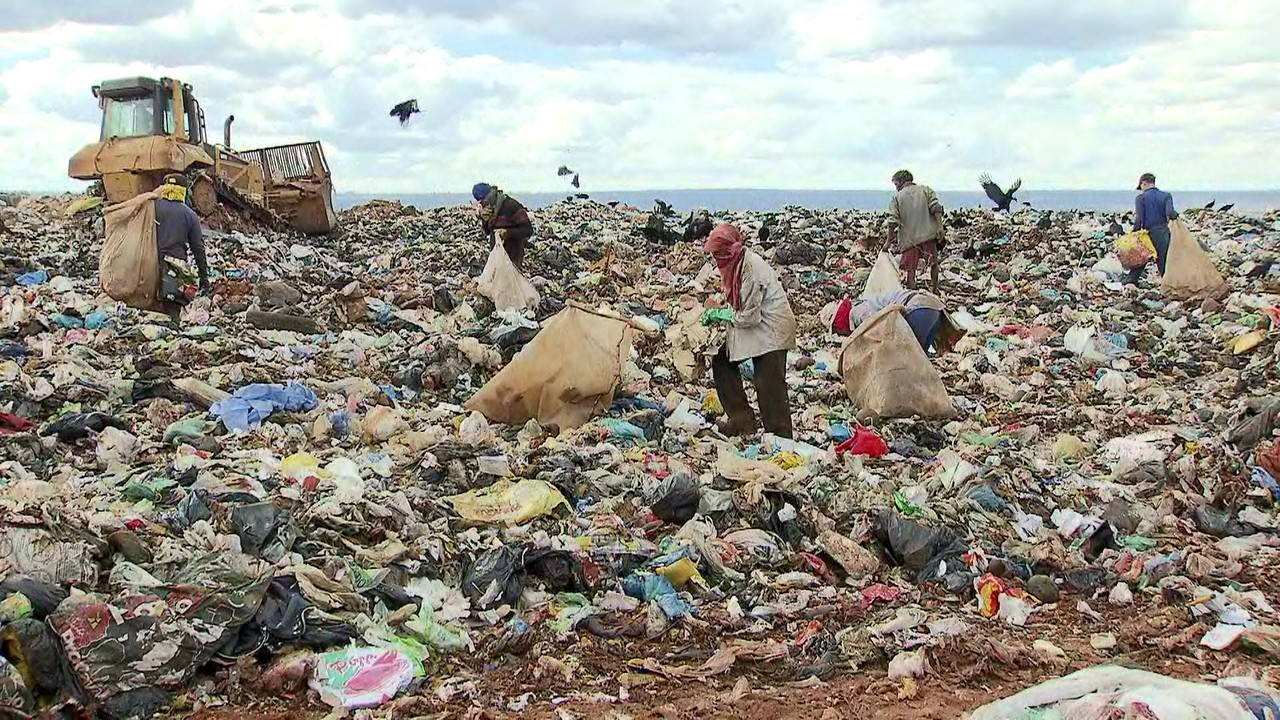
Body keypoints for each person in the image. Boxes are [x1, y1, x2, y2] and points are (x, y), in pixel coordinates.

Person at [702, 223, 797, 438]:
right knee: (722, 361)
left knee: (769, 383)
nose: (717, 261)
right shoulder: (736, 266)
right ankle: (741, 420)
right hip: (756, 328)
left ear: (730, 251)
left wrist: (721, 315)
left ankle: (781, 437)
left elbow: (749, 316)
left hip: (773, 329)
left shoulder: (752, 270)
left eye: (719, 254)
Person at [155, 174, 209, 319]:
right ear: (183, 190)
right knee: (173, 309)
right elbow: (197, 248)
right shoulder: (189, 214)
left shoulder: (152, 207)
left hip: (150, 264)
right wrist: (204, 277)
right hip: (174, 268)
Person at [822, 289, 947, 351]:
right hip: (933, 308)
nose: (839, 334)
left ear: (839, 323)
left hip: (918, 309)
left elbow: (881, 329)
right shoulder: (860, 308)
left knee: (909, 358)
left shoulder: (858, 314)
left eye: (836, 330)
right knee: (921, 361)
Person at [886, 170, 945, 294]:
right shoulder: (925, 190)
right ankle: (935, 289)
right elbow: (936, 208)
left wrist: (888, 242)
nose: (896, 188)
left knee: (910, 271)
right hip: (928, 235)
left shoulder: (897, 197)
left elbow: (892, 221)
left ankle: (912, 294)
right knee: (934, 264)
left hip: (909, 241)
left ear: (901, 181)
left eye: (896, 184)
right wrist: (940, 227)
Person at [1127, 172, 1178, 285]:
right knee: (1163, 261)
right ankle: (1168, 284)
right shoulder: (1166, 196)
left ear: (1144, 183)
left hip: (1148, 234)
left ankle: (1131, 280)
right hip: (1163, 233)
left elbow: (1139, 219)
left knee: (1141, 258)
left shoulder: (1140, 198)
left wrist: (1133, 235)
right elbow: (1170, 213)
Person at [473, 183, 534, 269]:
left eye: (484, 200)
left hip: (513, 256)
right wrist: (484, 220)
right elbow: (487, 232)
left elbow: (528, 230)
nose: (483, 203)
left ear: (491, 194)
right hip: (496, 255)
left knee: (510, 282)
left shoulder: (511, 206)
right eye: (480, 202)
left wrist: (507, 233)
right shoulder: (489, 209)